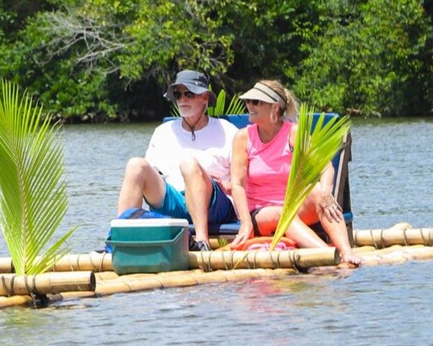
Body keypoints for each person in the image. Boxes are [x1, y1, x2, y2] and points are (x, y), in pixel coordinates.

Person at [225, 79, 360, 267]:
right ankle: (326, 255)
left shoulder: (294, 133)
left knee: (319, 192)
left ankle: (346, 251)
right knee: (282, 214)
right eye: (248, 101)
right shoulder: (243, 137)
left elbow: (326, 167)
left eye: (256, 102)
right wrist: (246, 223)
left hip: (293, 204)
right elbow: (237, 184)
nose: (249, 105)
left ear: (275, 107)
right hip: (261, 212)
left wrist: (325, 192)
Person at [113, 69, 237, 250]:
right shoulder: (163, 132)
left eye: (189, 93)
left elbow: (243, 181)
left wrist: (226, 185)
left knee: (189, 164)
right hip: (175, 201)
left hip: (214, 204)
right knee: (135, 165)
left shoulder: (228, 130)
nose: (182, 99)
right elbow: (152, 175)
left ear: (204, 98)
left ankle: (202, 242)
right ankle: (120, 241)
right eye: (178, 94)